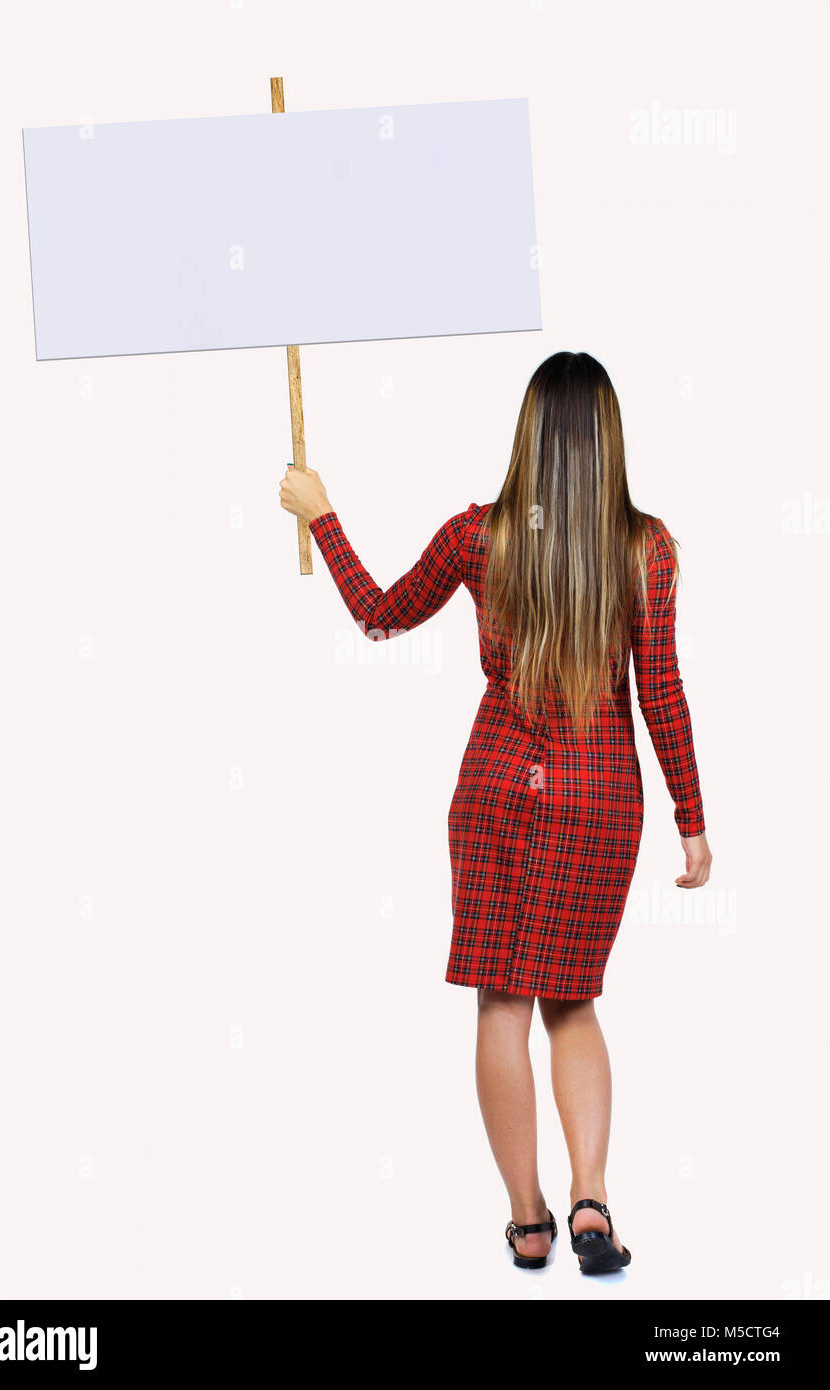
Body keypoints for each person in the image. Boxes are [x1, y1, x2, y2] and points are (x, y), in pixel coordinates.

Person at [279, 351, 711, 1275]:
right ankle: (591, 1200)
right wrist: (693, 818)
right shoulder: (650, 548)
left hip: (498, 792)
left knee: (502, 1003)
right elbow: (660, 694)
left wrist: (324, 517)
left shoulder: (481, 537)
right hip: (602, 801)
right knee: (574, 1002)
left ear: (527, 436)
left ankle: (528, 1223)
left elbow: (382, 617)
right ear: (607, 442)